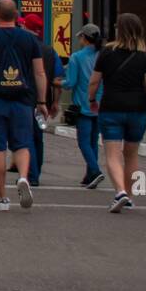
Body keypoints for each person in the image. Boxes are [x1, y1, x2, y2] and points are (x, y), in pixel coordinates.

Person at [0, 0, 48, 211]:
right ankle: (23, 177)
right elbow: (40, 72)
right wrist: (41, 101)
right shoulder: (30, 40)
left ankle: (2, 196)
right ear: (16, 16)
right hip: (23, 99)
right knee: (22, 144)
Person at [89, 12, 146, 213]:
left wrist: (91, 99)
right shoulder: (142, 56)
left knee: (113, 154)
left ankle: (120, 192)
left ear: (120, 30)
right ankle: (130, 196)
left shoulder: (106, 53)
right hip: (137, 111)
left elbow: (94, 81)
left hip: (111, 108)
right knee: (132, 155)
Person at [21, 13, 63, 186]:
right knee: (38, 136)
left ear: (26, 27)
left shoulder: (22, 48)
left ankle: (32, 173)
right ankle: (36, 170)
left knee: (26, 136)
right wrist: (55, 102)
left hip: (25, 97)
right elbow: (58, 79)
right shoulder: (50, 51)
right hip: (44, 99)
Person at [64, 23, 105, 189]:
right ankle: (89, 176)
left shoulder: (77, 57)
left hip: (83, 104)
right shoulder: (103, 55)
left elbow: (71, 83)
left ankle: (95, 170)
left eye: (81, 37)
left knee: (83, 141)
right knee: (93, 141)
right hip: (101, 103)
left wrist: (58, 83)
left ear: (85, 39)